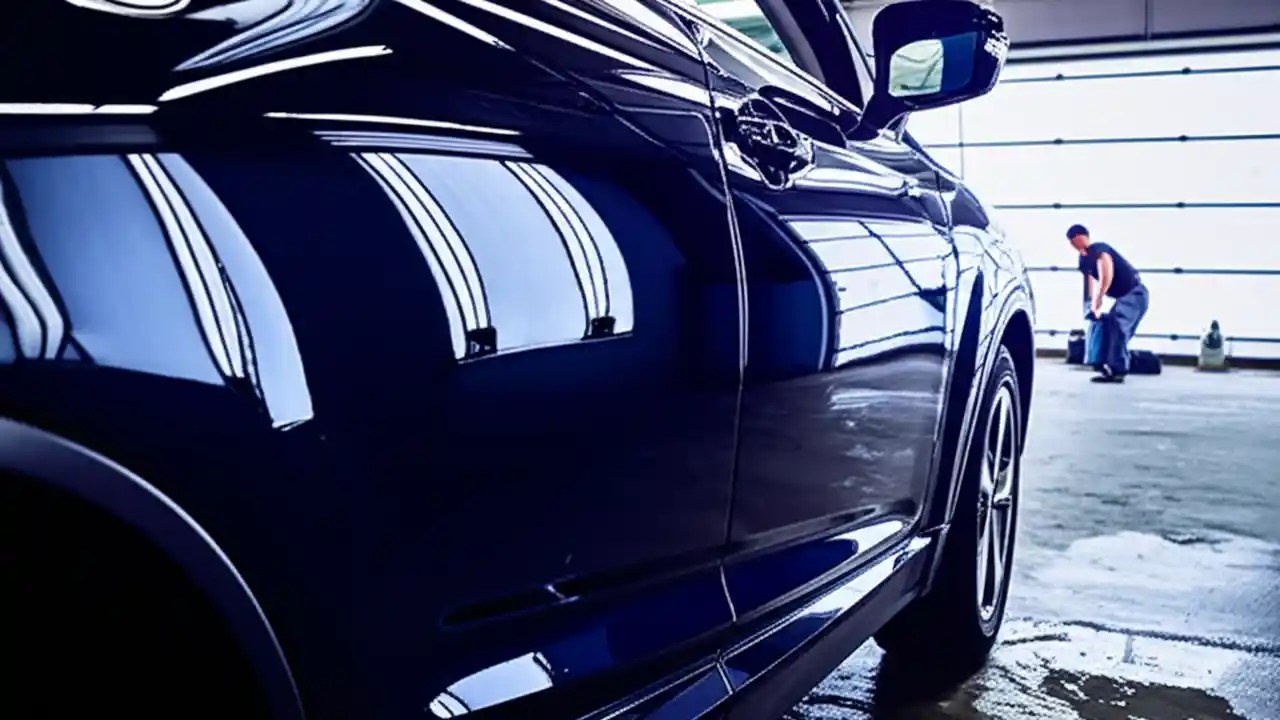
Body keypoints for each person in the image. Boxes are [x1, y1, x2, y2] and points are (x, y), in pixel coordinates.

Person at [1067, 224, 1150, 383]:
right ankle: (1107, 366)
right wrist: (1091, 306)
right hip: (1125, 296)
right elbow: (1089, 282)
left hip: (1135, 293)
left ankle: (1118, 370)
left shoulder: (1098, 249)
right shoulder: (1084, 260)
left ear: (1082, 237)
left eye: (1074, 238)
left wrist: (1099, 299)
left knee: (1119, 326)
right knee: (1108, 326)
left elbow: (1107, 271)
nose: (1073, 243)